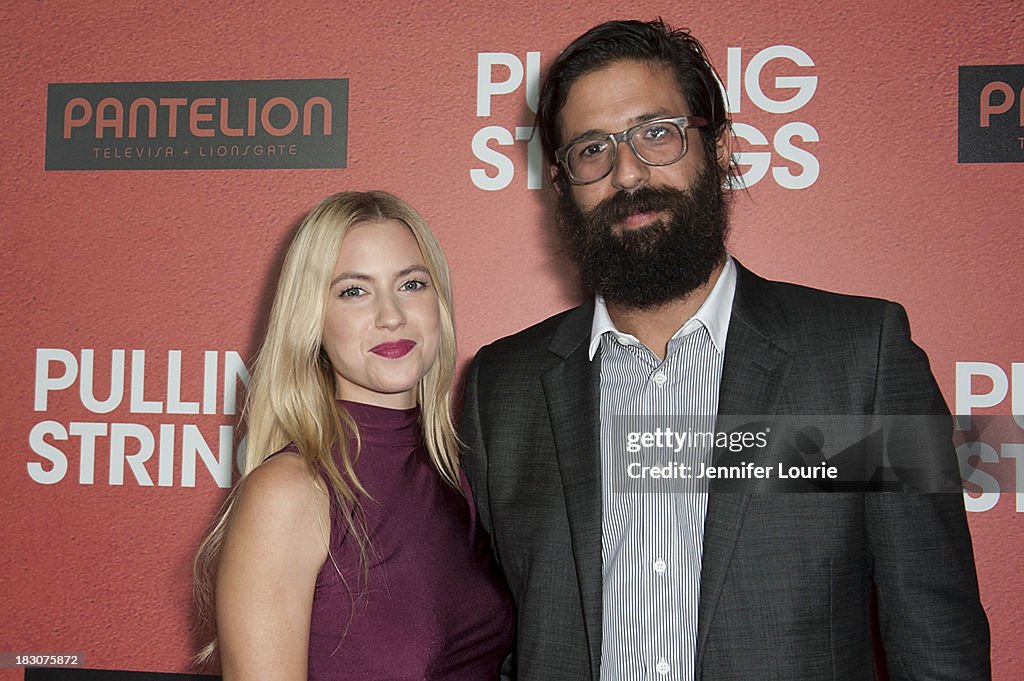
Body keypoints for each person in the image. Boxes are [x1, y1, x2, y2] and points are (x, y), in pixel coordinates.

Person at [459, 19, 990, 681]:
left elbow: (936, 648)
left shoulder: (861, 361)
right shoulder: (500, 389)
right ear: (564, 186)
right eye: (591, 149)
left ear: (721, 149)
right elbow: (486, 641)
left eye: (657, 133)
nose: (627, 172)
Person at [193, 191, 514, 680]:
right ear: (312, 321)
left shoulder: (461, 475)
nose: (391, 315)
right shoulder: (290, 492)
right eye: (354, 291)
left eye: (411, 284)